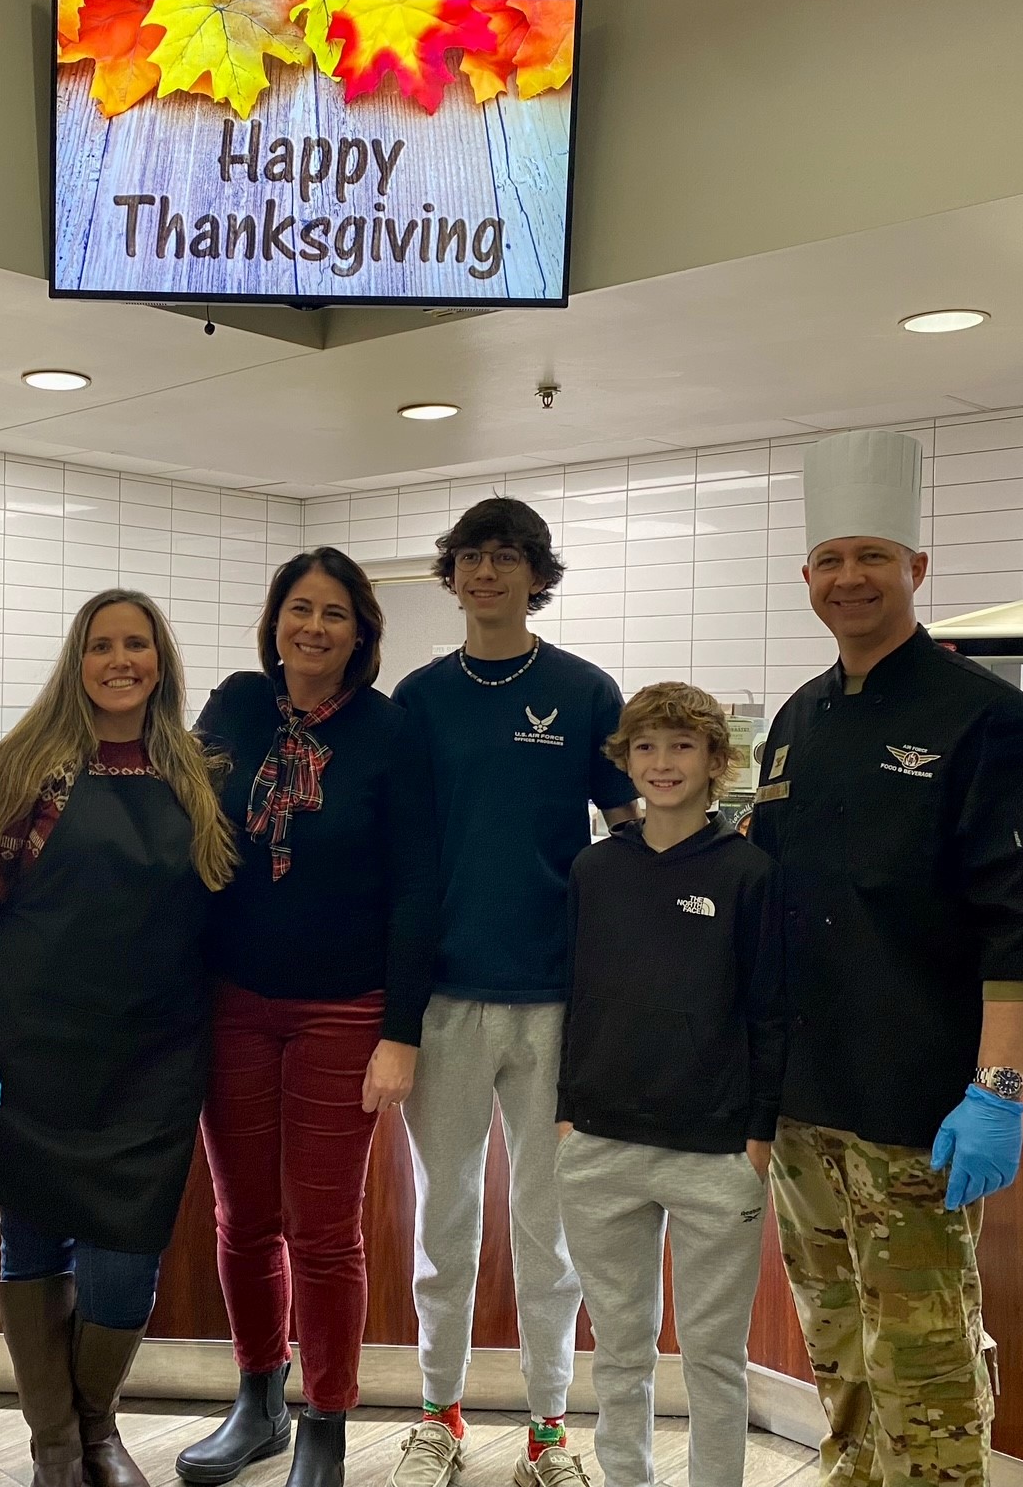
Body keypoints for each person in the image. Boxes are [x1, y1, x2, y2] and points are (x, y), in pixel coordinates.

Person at [749, 429, 1023, 1487]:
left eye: (872, 556)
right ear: (807, 578)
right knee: (837, 1347)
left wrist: (1000, 1089)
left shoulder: (987, 718)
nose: (849, 577)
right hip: (802, 1103)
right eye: (830, 559)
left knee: (924, 1361)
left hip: (916, 1105)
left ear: (917, 568)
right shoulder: (796, 719)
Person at [0, 588, 235, 1487]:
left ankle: (95, 1427)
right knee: (33, 1245)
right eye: (101, 645)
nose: (119, 661)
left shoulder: (197, 774)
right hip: (35, 1048)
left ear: (161, 660)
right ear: (77, 660)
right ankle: (57, 1447)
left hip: (156, 1056)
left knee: (125, 1262)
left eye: (137, 644)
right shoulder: (26, 768)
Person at [387, 497, 639, 1487]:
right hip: (444, 1000)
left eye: (506, 557)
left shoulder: (584, 692)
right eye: (469, 557)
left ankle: (546, 1433)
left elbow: (632, 835)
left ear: (537, 575)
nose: (485, 572)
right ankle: (437, 1418)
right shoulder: (417, 698)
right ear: (450, 574)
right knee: (442, 1224)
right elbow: (398, 857)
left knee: (550, 1231)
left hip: (555, 1000)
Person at [177, 548, 435, 1487]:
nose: (313, 627)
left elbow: (418, 889)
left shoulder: (391, 731)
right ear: (274, 621)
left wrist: (401, 1032)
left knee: (322, 1230)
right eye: (299, 608)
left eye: (334, 613)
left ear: (361, 633)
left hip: (344, 1008)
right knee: (244, 1217)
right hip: (232, 1002)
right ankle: (259, 1401)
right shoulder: (236, 706)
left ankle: (326, 1420)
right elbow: (179, 822)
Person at [555, 682, 783, 1487]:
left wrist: (759, 1135)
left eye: (682, 745)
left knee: (715, 1356)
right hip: (600, 1146)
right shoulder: (594, 869)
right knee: (620, 1350)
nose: (663, 762)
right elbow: (576, 995)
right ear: (625, 760)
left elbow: (769, 1010)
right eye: (646, 746)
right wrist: (567, 1113)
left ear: (717, 761)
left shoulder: (749, 873)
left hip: (716, 1153)